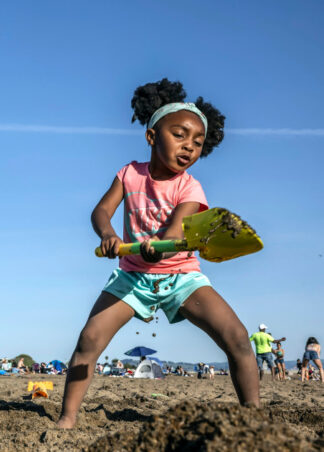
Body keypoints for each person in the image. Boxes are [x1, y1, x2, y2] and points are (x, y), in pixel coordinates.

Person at [57, 79, 260, 429]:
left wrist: (160, 247)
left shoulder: (190, 186)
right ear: (152, 136)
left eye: (197, 142)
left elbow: (177, 231)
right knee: (89, 340)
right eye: (179, 135)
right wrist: (108, 235)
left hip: (181, 276)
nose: (189, 146)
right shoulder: (129, 174)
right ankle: (67, 418)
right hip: (132, 277)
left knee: (238, 337)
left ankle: (253, 417)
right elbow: (101, 211)